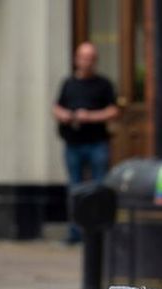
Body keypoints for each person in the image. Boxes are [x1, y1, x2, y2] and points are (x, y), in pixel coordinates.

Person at [53, 42, 119, 244]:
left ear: (95, 61)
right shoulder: (68, 84)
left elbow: (114, 111)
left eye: (90, 58)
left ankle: (99, 232)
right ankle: (75, 233)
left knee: (99, 186)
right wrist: (65, 115)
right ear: (76, 59)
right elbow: (56, 107)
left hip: (97, 142)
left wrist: (89, 116)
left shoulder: (103, 84)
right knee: (74, 187)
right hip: (73, 143)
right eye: (83, 57)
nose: (87, 62)